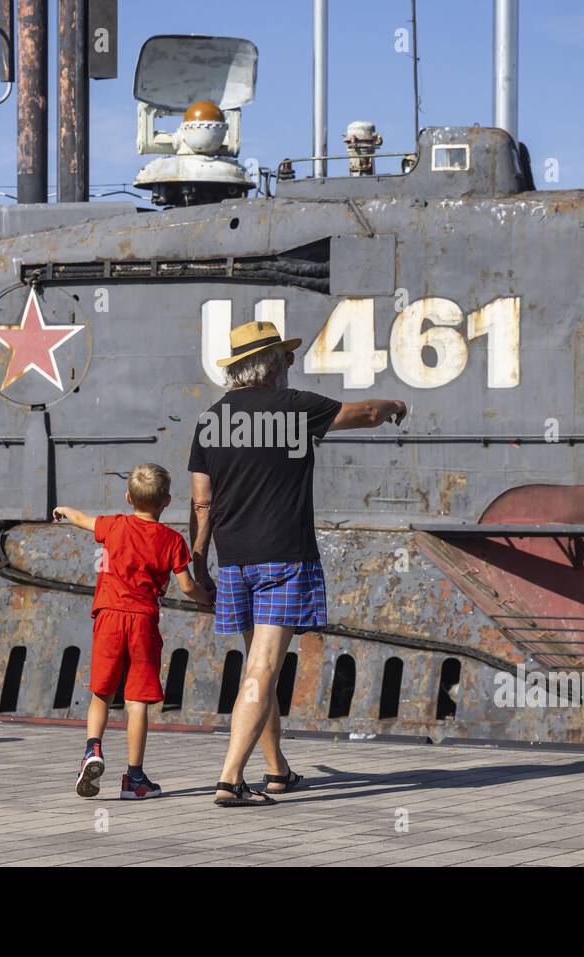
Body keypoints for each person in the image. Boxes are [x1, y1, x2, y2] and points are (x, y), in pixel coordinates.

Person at [188, 320, 407, 807]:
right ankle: (229, 780)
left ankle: (277, 771)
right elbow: (367, 412)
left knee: (255, 670)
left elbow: (201, 503)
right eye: (286, 359)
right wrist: (395, 405)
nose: (291, 365)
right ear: (271, 365)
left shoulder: (210, 420)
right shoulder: (295, 408)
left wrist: (198, 565)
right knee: (264, 669)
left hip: (236, 562)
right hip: (283, 558)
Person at [53, 463, 213, 799]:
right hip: (142, 621)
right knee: (136, 698)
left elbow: (84, 520)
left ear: (128, 497)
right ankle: (135, 779)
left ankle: (92, 750)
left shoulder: (114, 526)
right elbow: (186, 587)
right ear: (167, 501)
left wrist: (65, 510)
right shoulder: (172, 540)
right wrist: (208, 600)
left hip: (109, 616)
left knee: (101, 690)